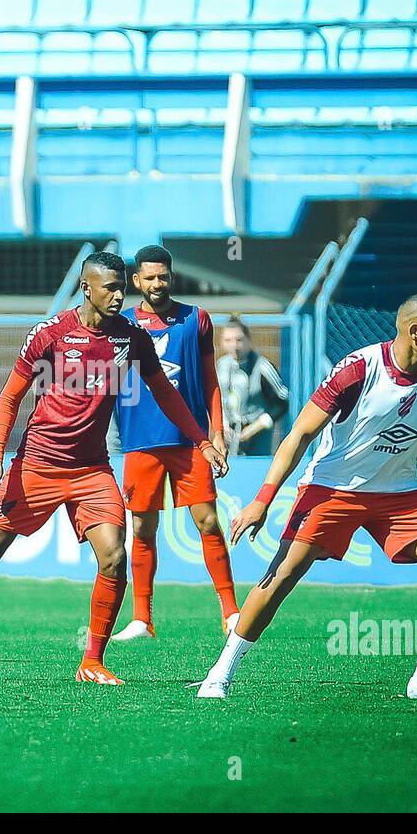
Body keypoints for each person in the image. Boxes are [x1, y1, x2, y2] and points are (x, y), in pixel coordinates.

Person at [0, 251, 228, 686]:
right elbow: (10, 396)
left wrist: (201, 440)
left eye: (123, 286)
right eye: (111, 287)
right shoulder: (50, 334)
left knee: (114, 555)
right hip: (37, 464)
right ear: (87, 287)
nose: (120, 294)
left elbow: (163, 390)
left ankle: (92, 660)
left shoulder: (129, 337)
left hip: (91, 470)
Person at [196, 294, 417, 702]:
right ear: (413, 332)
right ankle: (220, 674)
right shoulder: (358, 370)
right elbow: (299, 435)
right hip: (333, 489)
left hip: (400, 494)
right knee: (282, 576)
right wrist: (262, 499)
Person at [111, 245, 239, 641]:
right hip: (140, 439)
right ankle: (141, 619)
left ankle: (231, 612)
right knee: (142, 527)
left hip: (189, 440)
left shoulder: (196, 319)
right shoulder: (122, 323)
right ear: (136, 281)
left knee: (206, 521)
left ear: (171, 276)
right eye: (148, 277)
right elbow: (109, 382)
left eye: (162, 276)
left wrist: (216, 431)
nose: (156, 283)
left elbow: (209, 379)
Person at [217, 318, 289, 455]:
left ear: (249, 340)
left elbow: (283, 403)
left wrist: (255, 428)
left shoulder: (263, 366)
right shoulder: (221, 365)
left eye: (239, 340)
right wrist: (223, 426)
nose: (234, 346)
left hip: (258, 439)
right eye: (228, 340)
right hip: (229, 437)